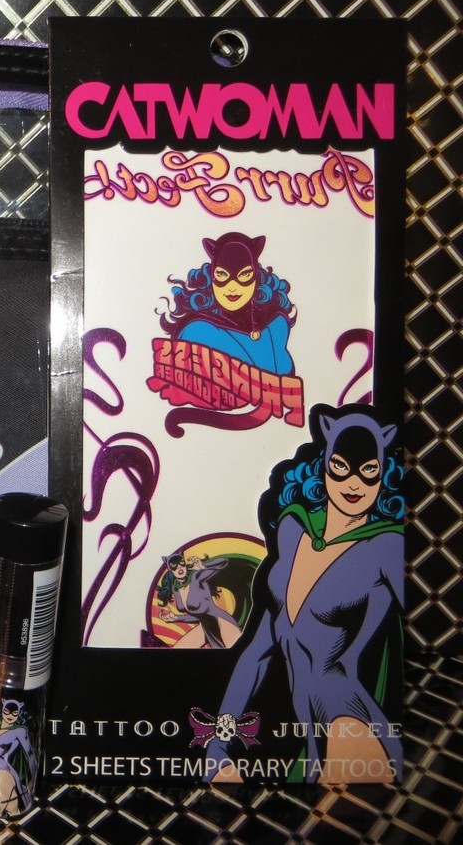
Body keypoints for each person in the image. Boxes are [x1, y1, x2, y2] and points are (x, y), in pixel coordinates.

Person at [207, 405, 404, 783]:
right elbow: (255, 655)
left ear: (382, 474)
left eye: (368, 472)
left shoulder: (385, 546)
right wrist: (220, 740)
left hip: (346, 713)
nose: (353, 485)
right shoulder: (293, 529)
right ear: (325, 464)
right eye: (341, 468)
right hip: (303, 729)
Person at [160, 231, 296, 375]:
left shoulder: (274, 324)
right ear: (211, 277)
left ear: (256, 277)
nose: (232, 287)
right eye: (222, 275)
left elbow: (285, 374)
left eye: (244, 275)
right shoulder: (195, 330)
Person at [157, 553, 242, 649]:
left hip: (221, 621)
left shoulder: (196, 577)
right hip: (206, 627)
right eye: (174, 566)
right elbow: (197, 616)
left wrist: (204, 566)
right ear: (170, 570)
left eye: (181, 563)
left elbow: (224, 562)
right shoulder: (175, 589)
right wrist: (176, 618)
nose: (179, 567)